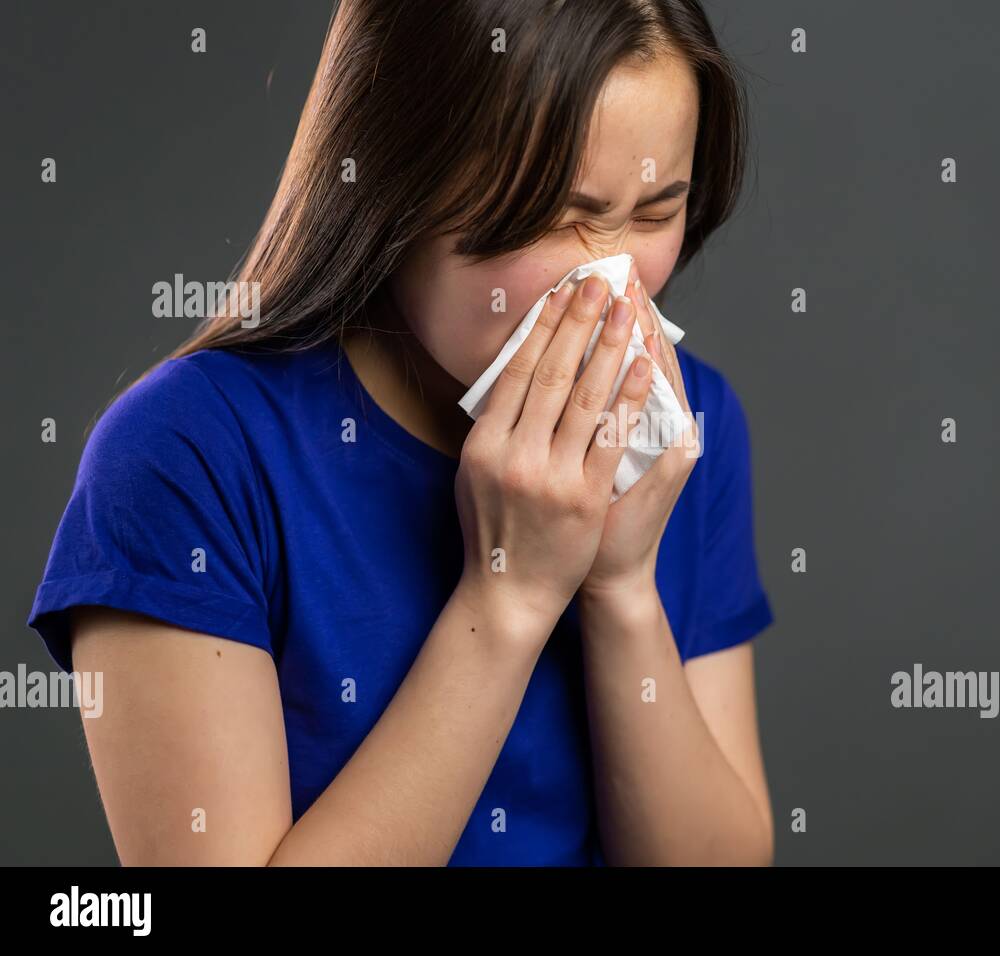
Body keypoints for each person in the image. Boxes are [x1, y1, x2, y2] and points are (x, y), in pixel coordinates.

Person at [28, 0, 774, 866]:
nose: (610, 279)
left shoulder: (684, 427)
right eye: (545, 216)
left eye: (653, 215)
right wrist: (509, 597)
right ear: (395, 186)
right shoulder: (186, 453)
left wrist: (623, 589)